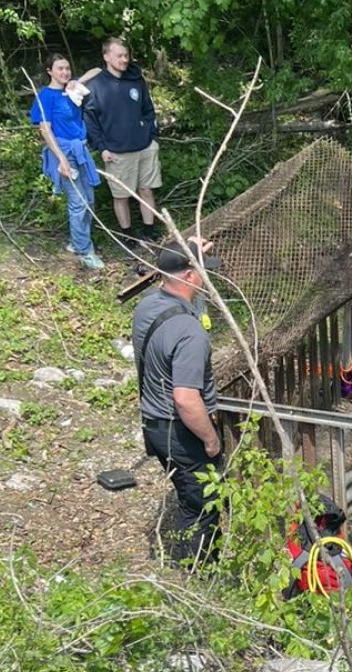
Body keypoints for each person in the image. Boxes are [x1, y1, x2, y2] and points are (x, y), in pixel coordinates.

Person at [132, 238, 223, 566]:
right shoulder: (190, 333)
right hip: (181, 431)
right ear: (188, 277)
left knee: (189, 497)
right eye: (201, 272)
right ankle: (199, 576)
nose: (205, 279)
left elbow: (173, 277)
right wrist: (210, 438)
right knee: (201, 505)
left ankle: (189, 561)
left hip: (153, 426)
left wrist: (189, 245)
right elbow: (185, 399)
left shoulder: (148, 306)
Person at [83, 38, 162, 255]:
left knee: (146, 190)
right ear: (106, 56)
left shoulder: (136, 80)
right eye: (119, 55)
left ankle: (149, 231)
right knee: (122, 196)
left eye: (126, 55)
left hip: (145, 146)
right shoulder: (96, 86)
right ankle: (127, 236)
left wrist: (153, 136)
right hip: (116, 151)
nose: (124, 59)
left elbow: (149, 109)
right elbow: (90, 121)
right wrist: (102, 147)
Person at [28, 54, 104, 270]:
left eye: (67, 68)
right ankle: (84, 251)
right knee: (78, 202)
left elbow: (97, 70)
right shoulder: (46, 96)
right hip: (63, 153)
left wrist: (77, 82)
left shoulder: (71, 90)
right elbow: (45, 129)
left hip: (80, 150)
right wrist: (61, 160)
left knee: (89, 200)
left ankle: (76, 241)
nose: (64, 72)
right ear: (49, 71)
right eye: (59, 69)